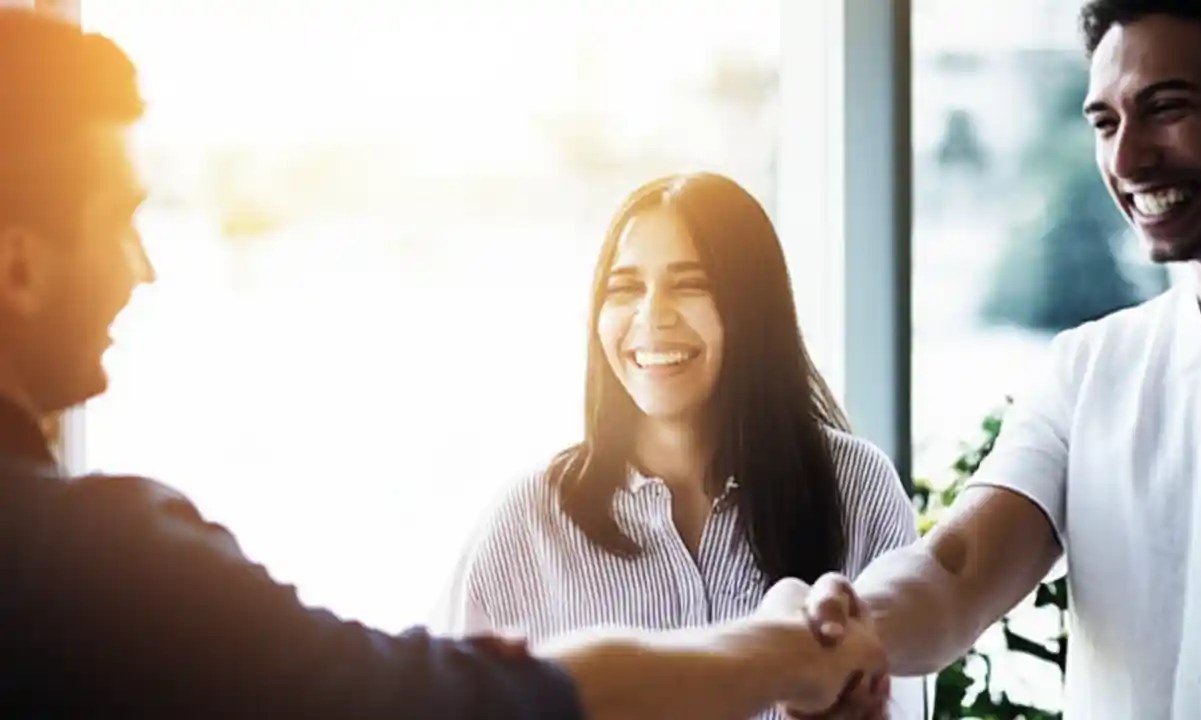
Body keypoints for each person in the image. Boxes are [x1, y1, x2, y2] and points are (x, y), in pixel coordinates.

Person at [0, 9, 887, 718]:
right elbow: (429, 697)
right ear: (21, 268)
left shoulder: (855, 487)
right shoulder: (93, 557)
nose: (142, 266)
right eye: (119, 220)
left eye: (690, 285)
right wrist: (784, 652)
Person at [825, 1, 1201, 718]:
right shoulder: (1087, 371)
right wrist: (843, 634)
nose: (1127, 160)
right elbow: (955, 571)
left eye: (1166, 108)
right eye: (1105, 123)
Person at [450, 172, 926, 719]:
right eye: (625, 288)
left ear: (752, 306)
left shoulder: (857, 487)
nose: (652, 316)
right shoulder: (526, 520)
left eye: (690, 283)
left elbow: (903, 706)